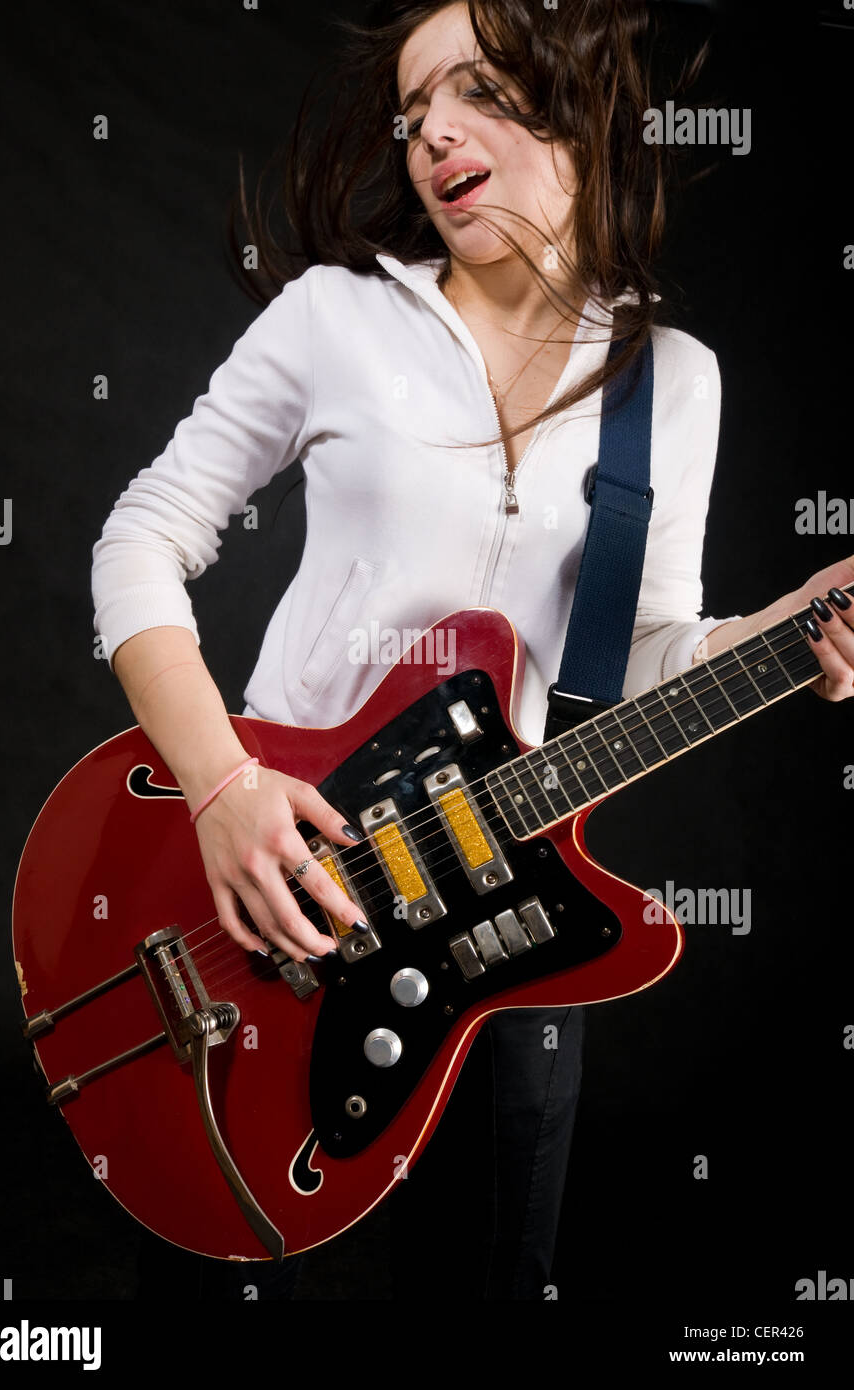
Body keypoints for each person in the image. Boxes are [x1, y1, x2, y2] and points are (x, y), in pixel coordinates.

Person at [91, 0, 854, 1300]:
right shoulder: (338, 318)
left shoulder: (669, 379)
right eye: (416, 106)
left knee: (496, 1280)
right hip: (274, 880)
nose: (434, 130)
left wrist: (795, 637)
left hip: (504, 904)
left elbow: (646, 651)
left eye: (478, 90)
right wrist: (221, 789)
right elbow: (139, 537)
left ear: (579, 100)